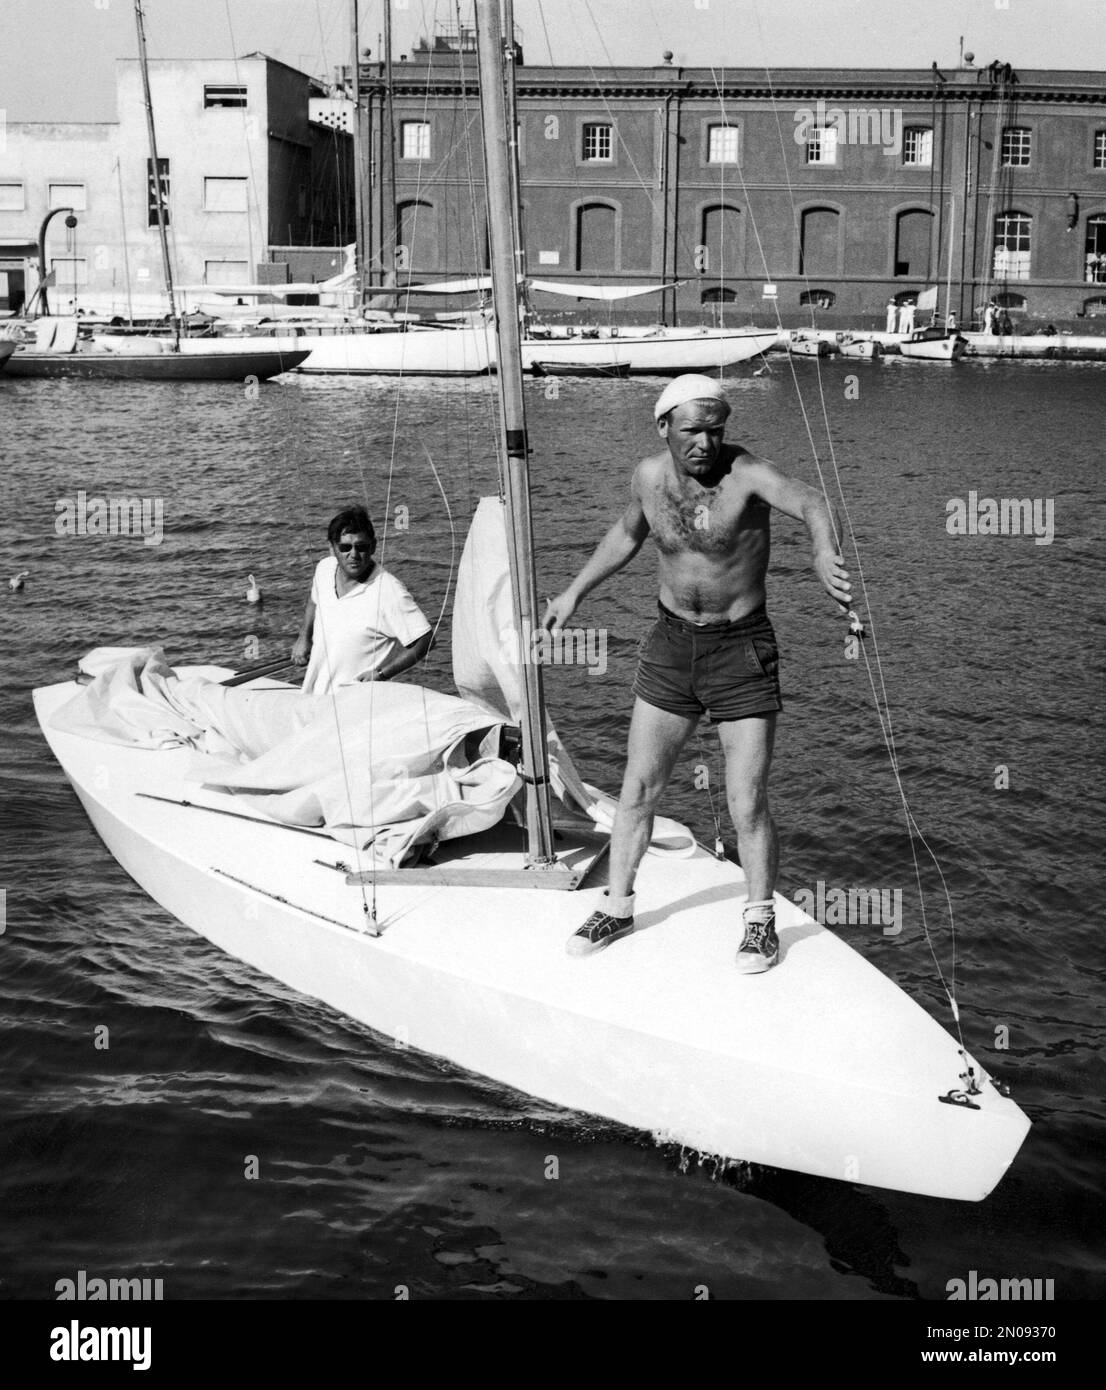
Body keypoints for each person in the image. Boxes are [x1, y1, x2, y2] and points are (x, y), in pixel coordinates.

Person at [543, 375, 852, 972]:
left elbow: (813, 501)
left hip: (741, 649)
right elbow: (629, 531)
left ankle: (760, 921)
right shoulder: (648, 478)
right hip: (671, 644)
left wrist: (820, 552)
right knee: (638, 789)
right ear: (664, 429)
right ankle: (618, 905)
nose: (706, 444)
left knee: (746, 800)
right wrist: (574, 592)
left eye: (716, 431)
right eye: (692, 431)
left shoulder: (749, 476)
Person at [291, 505, 432, 695]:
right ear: (332, 548)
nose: (354, 555)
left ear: (373, 546)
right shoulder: (324, 569)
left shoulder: (389, 591)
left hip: (357, 706)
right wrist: (303, 638)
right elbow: (314, 600)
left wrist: (381, 674)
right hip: (315, 697)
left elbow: (425, 640)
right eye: (345, 547)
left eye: (362, 547)